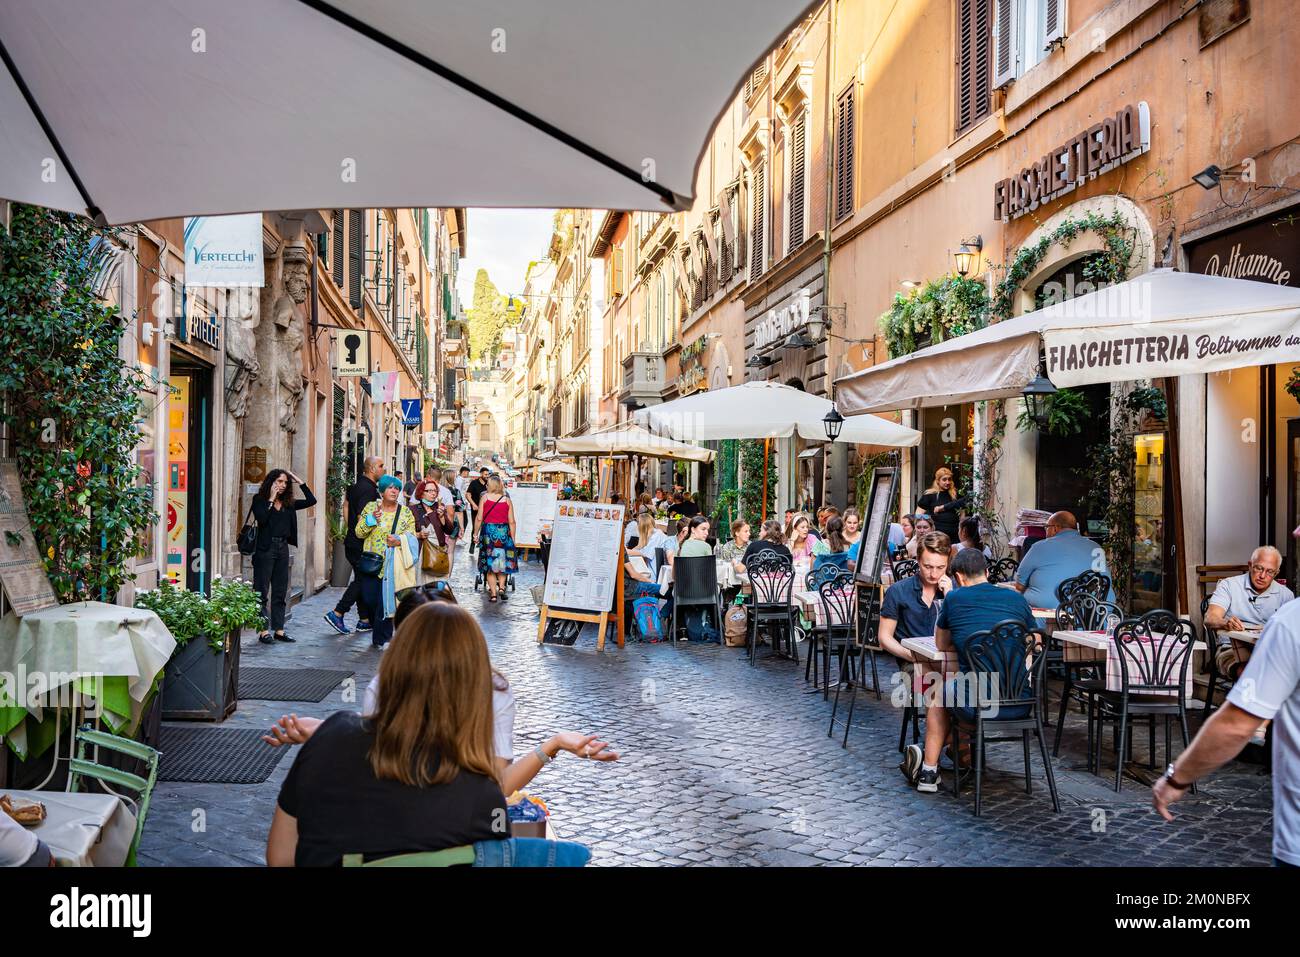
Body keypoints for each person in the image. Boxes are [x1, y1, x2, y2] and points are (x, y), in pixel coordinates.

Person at [265, 586, 618, 797]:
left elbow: (377, 745)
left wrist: (332, 733)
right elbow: (495, 789)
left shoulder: (489, 691)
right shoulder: (489, 690)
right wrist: (552, 745)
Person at [266, 601, 505, 866]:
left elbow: (280, 858)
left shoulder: (329, 741)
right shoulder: (483, 798)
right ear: (475, 685)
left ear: (394, 664)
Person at [1151, 596, 1300, 868]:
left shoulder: (1293, 620)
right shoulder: (1244, 594)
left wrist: (1176, 778)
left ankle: (1262, 718)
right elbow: (1211, 618)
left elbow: (1234, 725)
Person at [909, 548, 1039, 794]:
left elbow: (941, 644)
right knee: (960, 691)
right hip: (1021, 702)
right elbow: (1035, 640)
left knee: (939, 695)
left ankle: (928, 770)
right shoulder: (1016, 599)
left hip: (977, 703)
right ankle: (955, 753)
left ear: (958, 577)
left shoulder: (954, 599)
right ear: (988, 572)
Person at [1205, 546, 1294, 682]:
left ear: (1276, 573)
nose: (1263, 576)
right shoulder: (1229, 585)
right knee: (1252, 672)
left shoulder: (1285, 595)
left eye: (1270, 572)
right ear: (1250, 565)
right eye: (1259, 568)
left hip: (1270, 651)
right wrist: (1226, 622)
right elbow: (1210, 618)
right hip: (1231, 650)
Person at [251, 468, 317, 644]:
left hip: (282, 548)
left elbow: (312, 500)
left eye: (285, 482)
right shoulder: (259, 500)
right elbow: (262, 519)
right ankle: (263, 631)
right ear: (271, 482)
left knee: (280, 591)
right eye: (279, 481)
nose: (282, 485)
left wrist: (297, 479)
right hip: (265, 549)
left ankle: (279, 630)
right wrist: (271, 498)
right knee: (261, 591)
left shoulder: (289, 503)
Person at [354, 475, 418, 650]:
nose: (394, 491)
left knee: (386, 602)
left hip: (393, 565)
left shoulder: (405, 512)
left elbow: (411, 536)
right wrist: (371, 520)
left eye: (396, 488)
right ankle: (379, 633)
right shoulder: (371, 507)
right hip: (371, 564)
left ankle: (383, 639)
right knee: (370, 600)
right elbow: (359, 532)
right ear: (382, 491)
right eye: (390, 488)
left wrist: (399, 540)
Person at [325, 456, 382, 636]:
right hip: (360, 543)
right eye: (381, 466)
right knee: (362, 580)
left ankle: (364, 620)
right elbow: (363, 518)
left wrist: (350, 530)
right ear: (372, 468)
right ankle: (338, 612)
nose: (384, 469)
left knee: (361, 578)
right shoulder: (369, 490)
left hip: (351, 540)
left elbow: (346, 506)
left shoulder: (356, 486)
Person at [878, 532, 952, 665]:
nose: (934, 574)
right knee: (932, 684)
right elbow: (884, 637)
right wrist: (913, 657)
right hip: (913, 662)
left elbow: (964, 632)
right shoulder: (898, 591)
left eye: (941, 567)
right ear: (917, 560)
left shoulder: (954, 590)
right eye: (927, 567)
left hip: (949, 660)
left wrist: (950, 598)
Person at [1013, 510, 1111, 609]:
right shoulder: (1096, 547)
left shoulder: (1040, 546)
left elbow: (1019, 586)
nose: (1045, 531)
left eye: (1046, 527)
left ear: (1055, 528)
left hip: (1049, 616)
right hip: (1096, 614)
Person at [475, 474, 517, 602]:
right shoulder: (507, 500)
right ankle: (502, 588)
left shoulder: (485, 498)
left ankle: (493, 594)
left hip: (489, 533)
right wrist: (513, 538)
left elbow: (479, 518)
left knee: (490, 564)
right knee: (502, 562)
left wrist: (475, 534)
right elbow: (512, 522)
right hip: (504, 533)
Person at [410, 479, 457, 584]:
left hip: (437, 554)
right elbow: (406, 532)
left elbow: (449, 530)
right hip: (420, 554)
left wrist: (442, 518)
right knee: (421, 587)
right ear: (421, 493)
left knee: (438, 588)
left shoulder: (439, 507)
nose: (433, 493)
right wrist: (418, 534)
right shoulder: (413, 509)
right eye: (429, 490)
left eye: (435, 491)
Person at [917, 467, 967, 543]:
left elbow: (962, 513)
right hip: (936, 536)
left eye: (949, 479)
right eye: (944, 479)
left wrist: (961, 528)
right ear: (937, 481)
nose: (947, 482)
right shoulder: (929, 494)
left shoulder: (956, 494)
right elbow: (919, 514)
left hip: (954, 536)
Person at [465, 467, 489, 555]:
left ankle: (482, 544)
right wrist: (473, 504)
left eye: (488, 474)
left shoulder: (489, 483)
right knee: (476, 527)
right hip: (476, 509)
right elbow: (467, 495)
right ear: (481, 474)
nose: (487, 476)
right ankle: (472, 544)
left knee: (485, 527)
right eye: (485, 474)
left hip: (487, 510)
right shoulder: (474, 483)